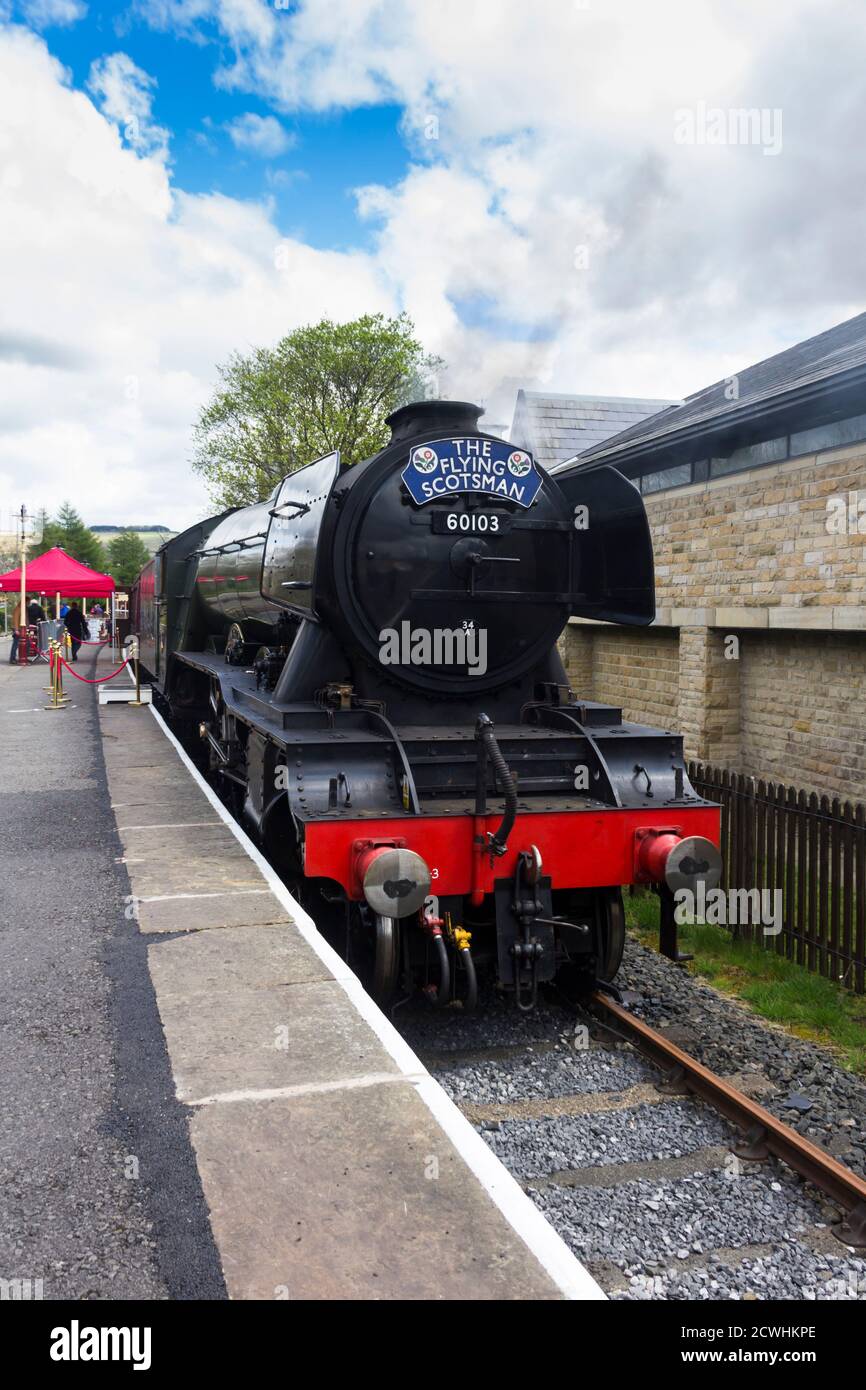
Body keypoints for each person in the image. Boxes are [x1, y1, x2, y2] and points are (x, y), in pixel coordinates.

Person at [8, 599, 21, 663]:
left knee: (16, 643)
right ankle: (12, 658)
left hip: (18, 628)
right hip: (17, 628)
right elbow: (16, 620)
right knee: (15, 644)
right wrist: (16, 629)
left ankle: (14, 658)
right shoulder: (18, 609)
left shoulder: (19, 609)